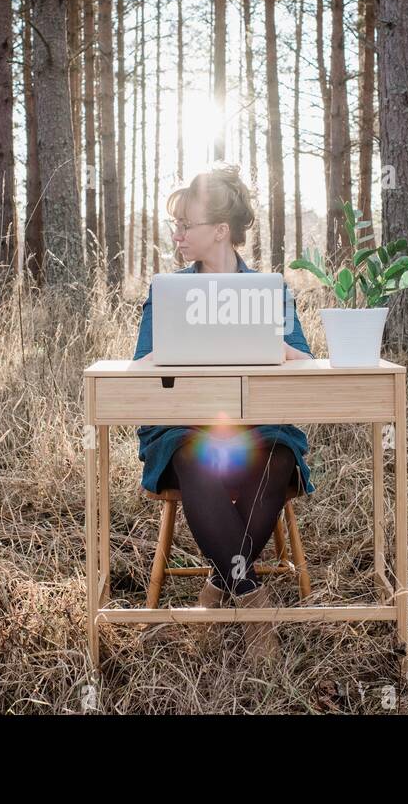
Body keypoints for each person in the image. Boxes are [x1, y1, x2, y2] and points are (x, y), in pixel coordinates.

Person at [132, 163, 315, 667]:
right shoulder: (168, 291)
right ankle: (255, 608)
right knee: (194, 455)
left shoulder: (270, 290)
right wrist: (161, 353)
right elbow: (140, 367)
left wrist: (274, 346)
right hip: (187, 428)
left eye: (186, 226)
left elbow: (302, 356)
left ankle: (219, 586)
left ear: (219, 232)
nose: (178, 235)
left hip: (259, 427)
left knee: (279, 458)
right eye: (176, 226)